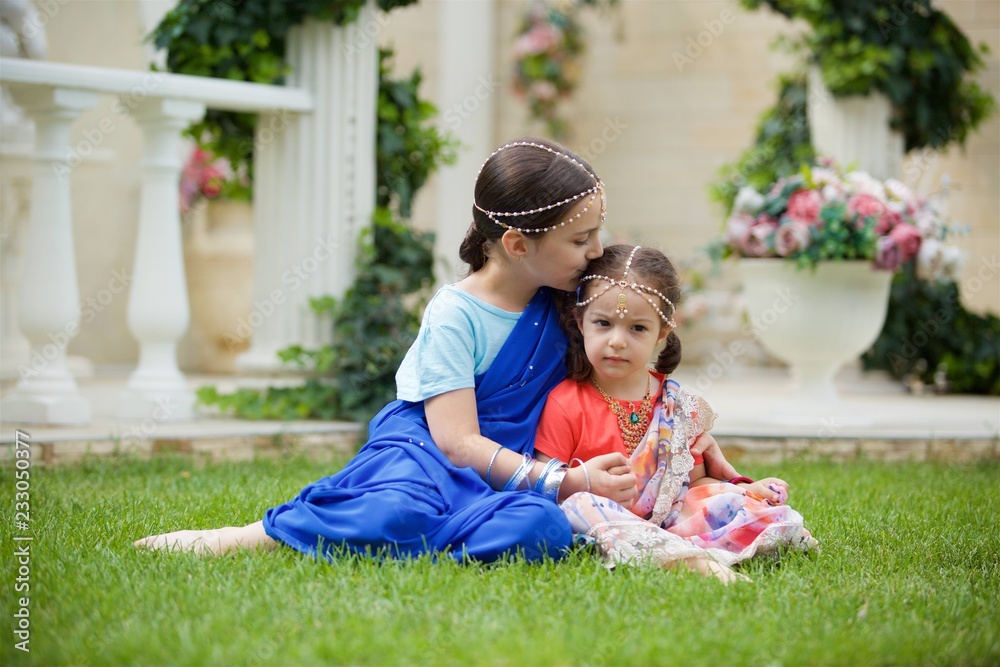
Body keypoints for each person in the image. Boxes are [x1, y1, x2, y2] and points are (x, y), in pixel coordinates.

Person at [136, 138, 646, 562]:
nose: (597, 251)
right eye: (581, 240)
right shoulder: (455, 315)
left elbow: (640, 335)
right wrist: (566, 480)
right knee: (395, 513)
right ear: (517, 245)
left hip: (509, 475)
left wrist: (690, 435)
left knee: (542, 529)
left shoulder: (571, 299)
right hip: (426, 459)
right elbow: (458, 444)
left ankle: (403, 545)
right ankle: (246, 538)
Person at [534, 245, 817, 583]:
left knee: (734, 500)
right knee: (578, 504)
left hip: (672, 517)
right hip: (607, 519)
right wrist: (588, 485)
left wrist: (743, 490)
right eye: (603, 323)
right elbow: (548, 484)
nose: (617, 341)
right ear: (581, 322)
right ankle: (690, 563)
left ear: (663, 333)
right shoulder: (566, 401)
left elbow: (693, 483)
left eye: (637, 328)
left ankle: (691, 543)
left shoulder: (674, 402)